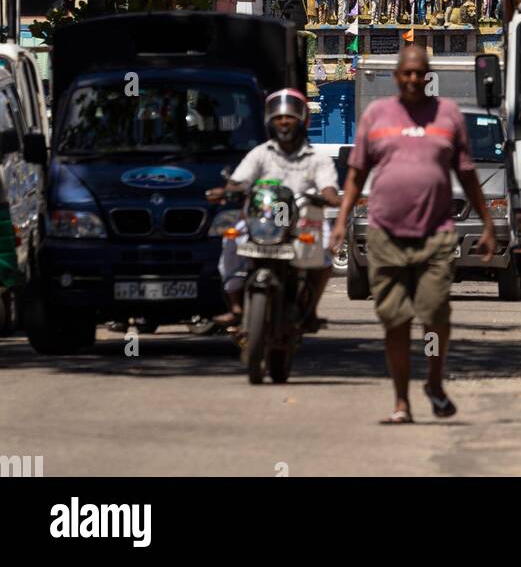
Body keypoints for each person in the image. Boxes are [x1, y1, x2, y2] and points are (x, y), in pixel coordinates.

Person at [330, 46, 497, 424]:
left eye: (419, 73)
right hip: (386, 235)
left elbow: (467, 173)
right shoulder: (376, 115)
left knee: (435, 314)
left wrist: (487, 223)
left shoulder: (448, 115)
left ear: (428, 76)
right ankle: (401, 401)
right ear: (396, 77)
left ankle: (434, 383)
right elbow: (356, 174)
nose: (413, 79)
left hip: (435, 235)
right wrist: (341, 222)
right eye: (406, 73)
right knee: (396, 322)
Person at [206, 89, 339, 333]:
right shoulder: (260, 154)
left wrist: (332, 198)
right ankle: (236, 306)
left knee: (326, 252)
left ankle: (311, 310)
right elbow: (239, 181)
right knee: (231, 239)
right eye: (278, 117)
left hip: (301, 223)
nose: (284, 121)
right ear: (270, 121)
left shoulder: (318, 158)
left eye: (290, 116)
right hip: (261, 222)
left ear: (303, 120)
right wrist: (226, 191)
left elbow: (328, 187)